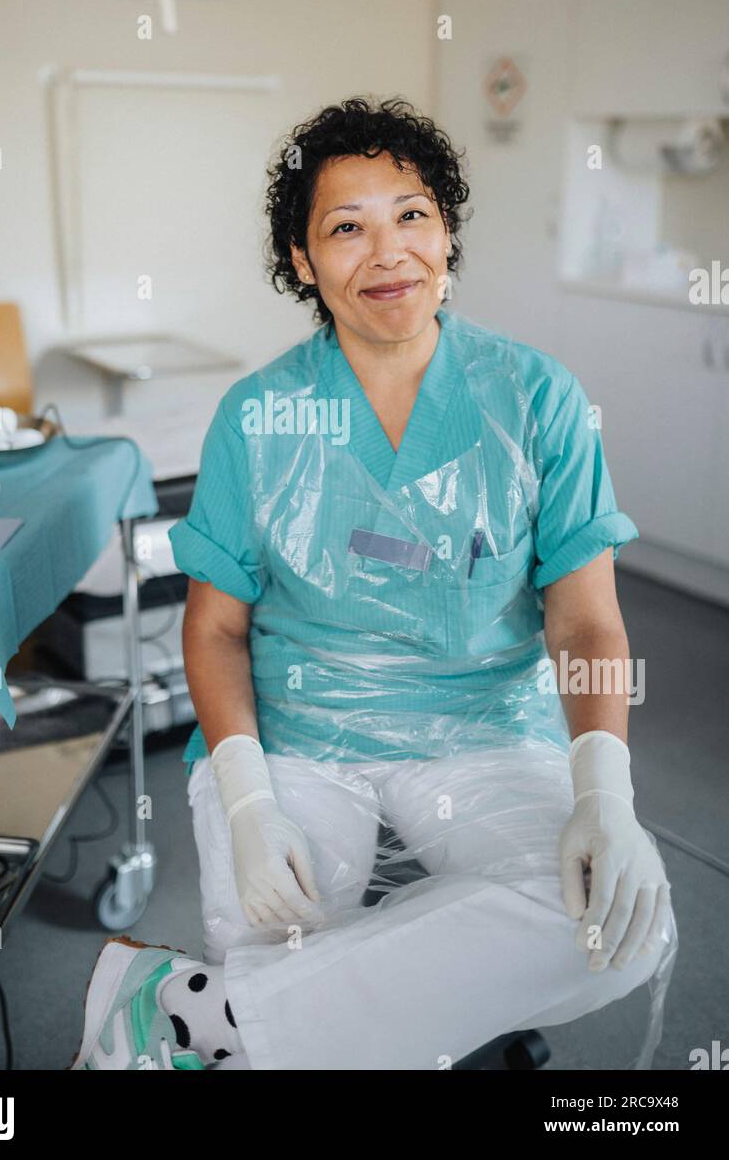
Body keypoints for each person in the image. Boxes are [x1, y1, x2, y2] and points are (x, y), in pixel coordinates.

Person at [71, 97, 675, 1071]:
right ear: (303, 264)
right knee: (276, 943)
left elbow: (582, 623)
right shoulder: (258, 416)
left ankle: (191, 1014)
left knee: (619, 926)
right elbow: (216, 628)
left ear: (445, 232)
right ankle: (277, 1006)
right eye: (345, 228)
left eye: (411, 215)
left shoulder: (535, 398)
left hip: (484, 728)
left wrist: (603, 789)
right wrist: (247, 799)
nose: (387, 252)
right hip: (301, 735)